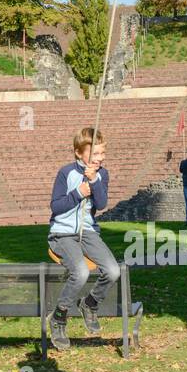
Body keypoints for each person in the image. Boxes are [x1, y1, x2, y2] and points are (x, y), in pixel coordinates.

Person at [46, 127, 122, 351]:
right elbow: (56, 207)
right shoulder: (66, 173)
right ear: (79, 153)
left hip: (88, 232)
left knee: (113, 270)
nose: (101, 158)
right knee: (80, 272)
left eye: (102, 153)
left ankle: (90, 303)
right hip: (62, 233)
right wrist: (78, 192)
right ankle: (59, 318)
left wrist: (95, 181)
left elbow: (101, 204)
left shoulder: (102, 174)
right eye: (95, 154)